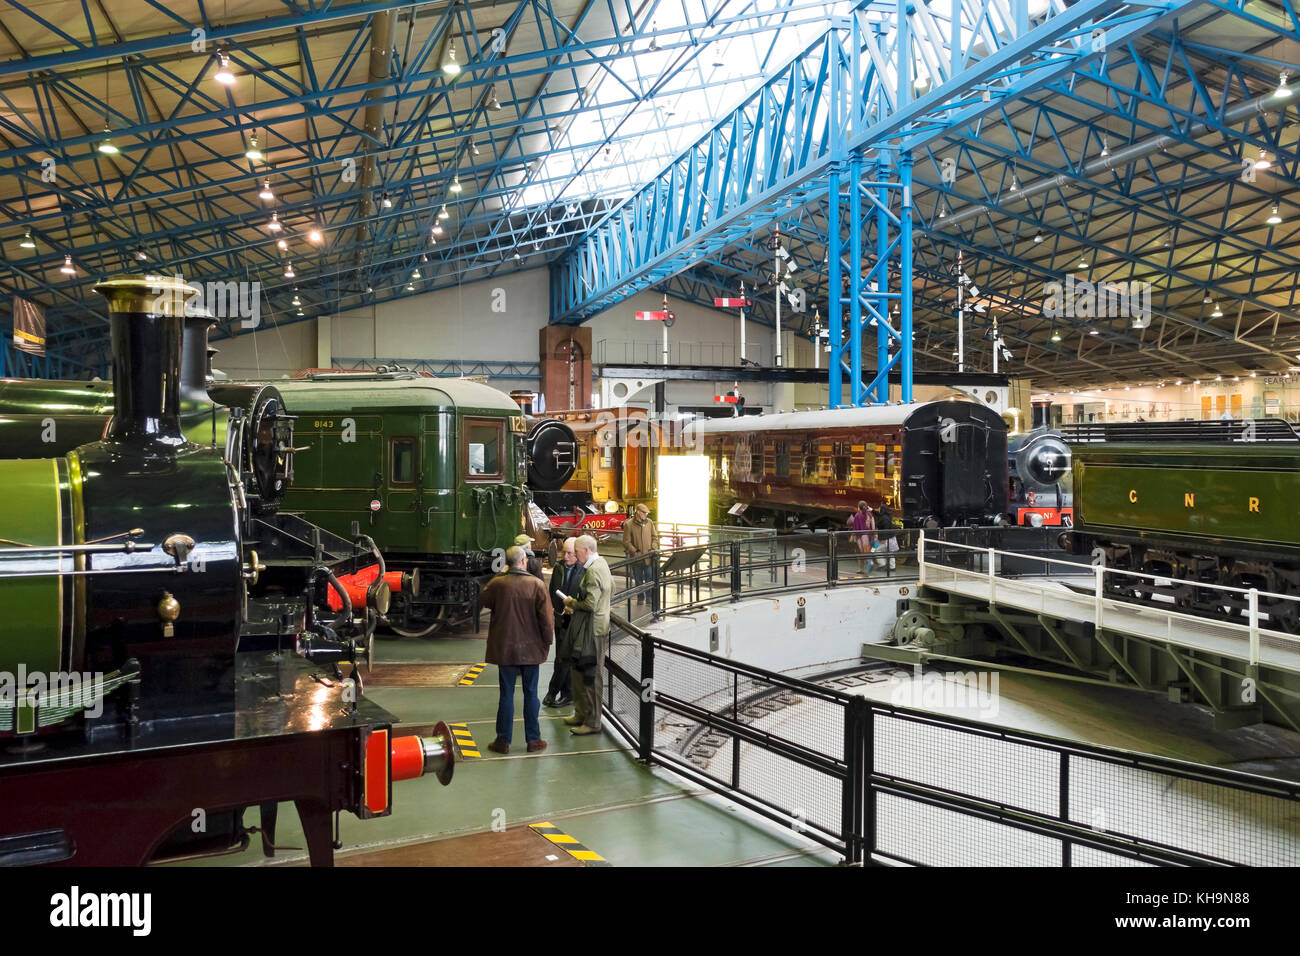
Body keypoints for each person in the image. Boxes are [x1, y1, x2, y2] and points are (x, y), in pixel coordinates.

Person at [480, 546, 554, 754]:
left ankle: (503, 741)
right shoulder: (537, 585)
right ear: (523, 561)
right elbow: (547, 620)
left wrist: (499, 575)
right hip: (531, 650)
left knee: (506, 694)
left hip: (505, 649)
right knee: (531, 693)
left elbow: (483, 600)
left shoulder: (498, 584)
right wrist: (547, 642)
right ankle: (533, 740)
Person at [562, 534, 612, 736]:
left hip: (591, 630)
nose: (575, 556)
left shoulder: (592, 572)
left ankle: (591, 721)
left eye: (577, 552)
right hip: (595, 627)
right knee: (582, 670)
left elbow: (590, 604)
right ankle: (582, 713)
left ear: (587, 550)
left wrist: (572, 603)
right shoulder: (603, 565)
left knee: (590, 674)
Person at [543, 537, 582, 708]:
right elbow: (552, 591)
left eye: (570, 553)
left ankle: (553, 692)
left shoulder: (584, 571)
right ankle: (567, 694)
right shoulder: (559, 568)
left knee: (563, 659)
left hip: (574, 622)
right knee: (562, 658)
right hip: (560, 620)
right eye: (564, 552)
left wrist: (574, 608)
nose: (565, 556)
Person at [621, 502, 657, 606]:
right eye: (644, 513)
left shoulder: (649, 522)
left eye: (647, 513)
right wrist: (634, 551)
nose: (646, 515)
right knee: (638, 580)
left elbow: (655, 537)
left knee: (649, 578)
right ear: (638, 512)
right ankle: (640, 598)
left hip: (648, 556)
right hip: (636, 558)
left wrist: (653, 548)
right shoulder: (629, 524)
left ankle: (649, 598)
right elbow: (626, 542)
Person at [848, 500, 876, 575]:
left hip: (861, 537)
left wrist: (853, 536)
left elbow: (856, 528)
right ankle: (866, 566)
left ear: (859, 507)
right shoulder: (870, 514)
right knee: (869, 550)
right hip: (870, 535)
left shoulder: (857, 515)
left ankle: (864, 566)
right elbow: (873, 526)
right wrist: (873, 534)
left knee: (860, 552)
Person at [876, 501, 900, 571]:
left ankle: (882, 565)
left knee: (877, 550)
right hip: (891, 538)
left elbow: (885, 529)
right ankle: (892, 567)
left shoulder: (884, 518)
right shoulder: (887, 517)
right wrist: (872, 510)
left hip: (886, 539)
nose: (878, 509)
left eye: (879, 508)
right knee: (890, 552)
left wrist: (883, 538)